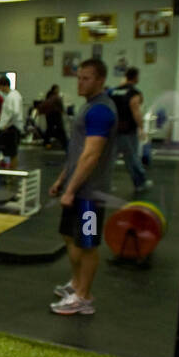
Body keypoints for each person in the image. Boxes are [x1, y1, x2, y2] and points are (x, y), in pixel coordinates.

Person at [48, 59, 117, 315]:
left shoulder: (101, 110)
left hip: (90, 194)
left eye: (86, 78)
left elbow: (91, 156)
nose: (80, 82)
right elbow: (77, 154)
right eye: (79, 77)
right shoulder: (88, 107)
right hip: (77, 189)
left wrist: (70, 190)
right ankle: (76, 284)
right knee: (70, 236)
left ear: (100, 80)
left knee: (87, 244)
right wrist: (61, 180)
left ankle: (84, 297)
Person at [109, 67, 151, 193]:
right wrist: (142, 128)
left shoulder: (114, 91)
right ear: (136, 77)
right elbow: (136, 111)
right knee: (132, 158)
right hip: (127, 130)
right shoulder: (133, 93)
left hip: (113, 129)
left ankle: (102, 183)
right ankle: (140, 183)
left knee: (108, 159)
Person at [0, 73, 23, 169]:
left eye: (0, 87)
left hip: (11, 128)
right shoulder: (12, 95)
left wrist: (6, 126)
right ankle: (8, 172)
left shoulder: (12, 96)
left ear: (4, 85)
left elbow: (14, 113)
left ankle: (12, 175)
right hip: (9, 127)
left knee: (12, 153)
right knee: (5, 151)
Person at [40, 84, 68, 150]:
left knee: (49, 129)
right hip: (56, 114)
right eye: (57, 89)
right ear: (55, 89)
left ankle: (46, 142)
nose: (58, 90)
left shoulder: (48, 96)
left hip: (48, 114)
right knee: (60, 129)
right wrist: (63, 111)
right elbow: (60, 105)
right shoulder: (56, 97)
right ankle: (65, 144)